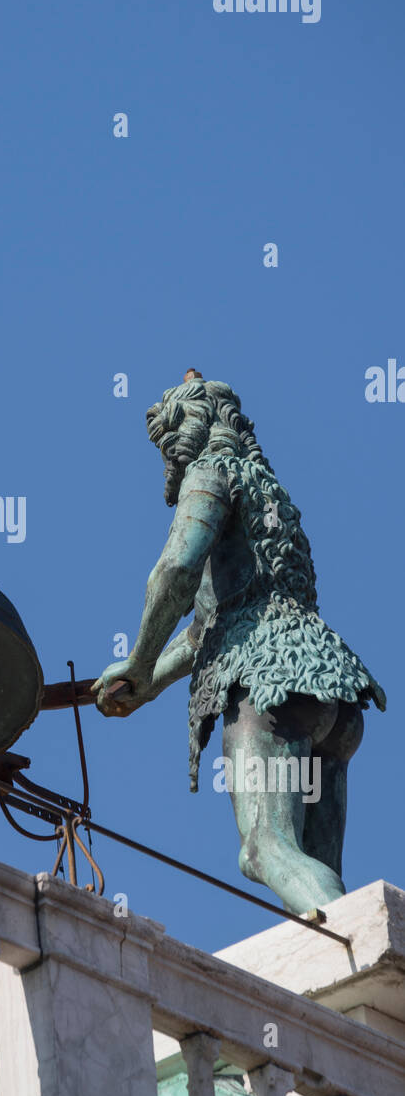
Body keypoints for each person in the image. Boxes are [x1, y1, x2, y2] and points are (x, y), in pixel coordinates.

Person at [92, 372, 385, 915]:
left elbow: (175, 571)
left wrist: (139, 655)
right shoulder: (268, 492)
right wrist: (147, 681)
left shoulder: (209, 473)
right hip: (333, 700)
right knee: (320, 880)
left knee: (265, 847)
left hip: (268, 692)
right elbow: (211, 628)